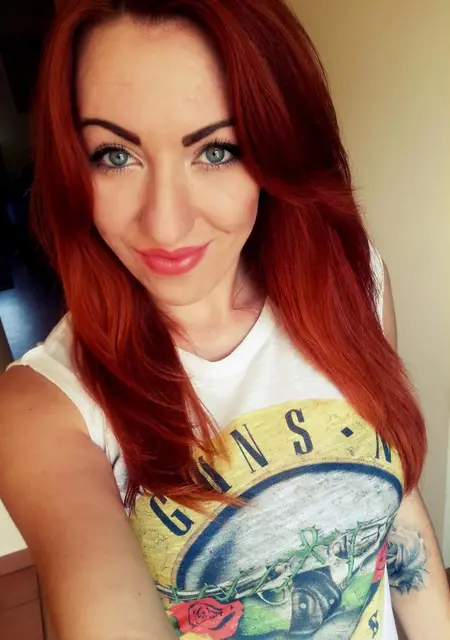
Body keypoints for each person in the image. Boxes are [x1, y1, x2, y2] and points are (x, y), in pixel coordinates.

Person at [0, 0, 448, 638]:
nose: (165, 224)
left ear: (276, 154)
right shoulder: (46, 408)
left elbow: (393, 493)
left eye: (215, 149)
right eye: (114, 155)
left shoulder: (354, 284)